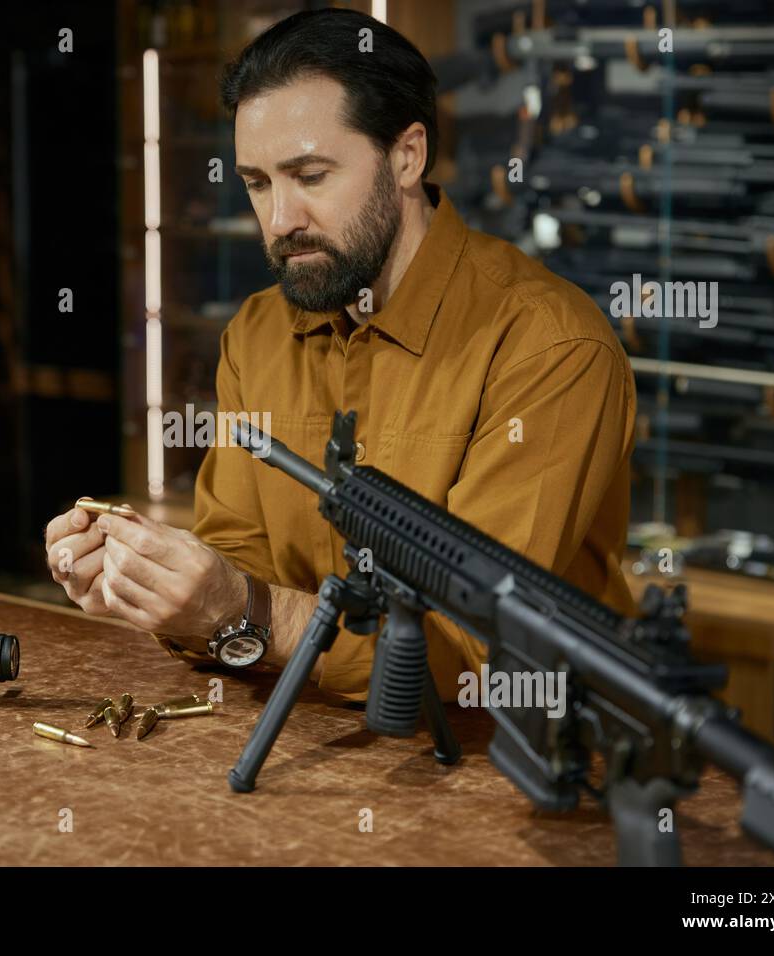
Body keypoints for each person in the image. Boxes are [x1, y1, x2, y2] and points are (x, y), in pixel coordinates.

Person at [44, 8, 637, 700]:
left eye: (311, 176)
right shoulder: (257, 335)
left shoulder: (549, 347)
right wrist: (163, 589)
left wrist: (247, 612)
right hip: (309, 746)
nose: (278, 220)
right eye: (258, 183)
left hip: (519, 768)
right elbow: (239, 564)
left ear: (407, 156)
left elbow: (467, 641)